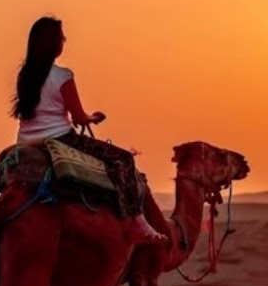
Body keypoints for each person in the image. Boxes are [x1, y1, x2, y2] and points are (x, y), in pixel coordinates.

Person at [11, 16, 166, 244]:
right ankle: (137, 223)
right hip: (60, 139)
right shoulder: (63, 76)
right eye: (61, 36)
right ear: (54, 43)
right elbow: (79, 117)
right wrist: (93, 117)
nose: (64, 39)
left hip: (24, 142)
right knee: (124, 160)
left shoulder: (25, 75)